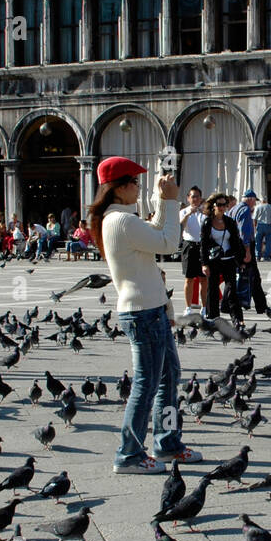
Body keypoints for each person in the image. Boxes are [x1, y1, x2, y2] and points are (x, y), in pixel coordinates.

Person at [88, 156, 200, 474]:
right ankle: (128, 455)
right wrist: (169, 198)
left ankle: (166, 443)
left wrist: (158, 199)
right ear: (120, 187)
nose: (137, 187)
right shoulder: (121, 221)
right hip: (142, 314)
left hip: (150, 310)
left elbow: (154, 236)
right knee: (146, 385)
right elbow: (167, 243)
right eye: (135, 182)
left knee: (166, 380)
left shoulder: (121, 218)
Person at [200, 194, 245, 324]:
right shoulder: (208, 222)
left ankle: (237, 319)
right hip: (214, 260)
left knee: (232, 289)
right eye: (218, 204)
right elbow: (203, 244)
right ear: (213, 206)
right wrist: (204, 264)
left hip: (229, 259)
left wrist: (241, 260)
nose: (221, 207)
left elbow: (236, 242)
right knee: (212, 289)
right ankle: (213, 317)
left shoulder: (230, 222)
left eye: (224, 205)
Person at [226, 189, 270, 315]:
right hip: (244, 245)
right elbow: (244, 231)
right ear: (250, 199)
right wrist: (247, 250)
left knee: (241, 276)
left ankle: (261, 306)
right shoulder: (245, 210)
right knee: (254, 276)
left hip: (235, 245)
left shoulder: (234, 209)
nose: (254, 204)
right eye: (254, 201)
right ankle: (261, 306)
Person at [178, 185, 205, 319]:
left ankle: (204, 308)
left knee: (204, 279)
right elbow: (181, 225)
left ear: (201, 198)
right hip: (189, 245)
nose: (195, 199)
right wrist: (189, 213)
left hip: (203, 246)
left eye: (197, 196)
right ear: (188, 198)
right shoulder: (183, 211)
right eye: (193, 196)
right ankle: (188, 307)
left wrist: (204, 212)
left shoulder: (205, 212)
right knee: (189, 279)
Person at [253, 193, 271, 261]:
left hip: (259, 225)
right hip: (268, 225)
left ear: (260, 201)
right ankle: (266, 257)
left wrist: (255, 227)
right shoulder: (270, 206)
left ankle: (258, 256)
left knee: (258, 242)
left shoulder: (257, 207)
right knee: (268, 242)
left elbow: (254, 218)